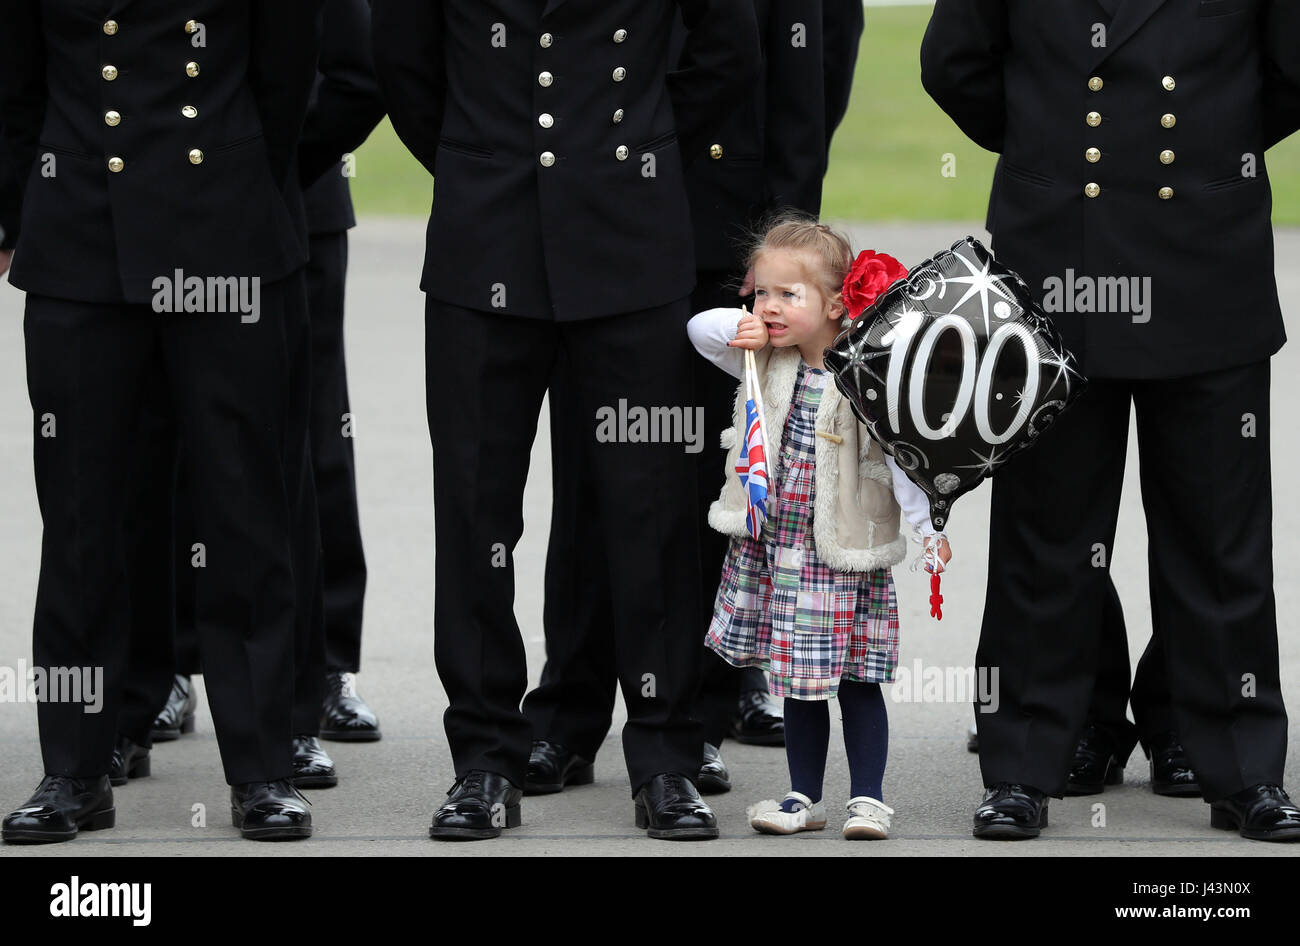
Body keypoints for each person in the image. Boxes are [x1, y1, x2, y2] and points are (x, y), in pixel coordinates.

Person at [372, 0, 760, 841]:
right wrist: (485, 154)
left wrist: (628, 152)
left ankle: (664, 756)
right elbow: (407, 66)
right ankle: (483, 758)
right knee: (476, 510)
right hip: (486, 241)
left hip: (630, 236)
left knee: (649, 509)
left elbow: (725, 56)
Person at [921, 0, 1300, 841]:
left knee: (1219, 536)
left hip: (1205, 257)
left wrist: (1208, 154)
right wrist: (1048, 153)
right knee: (1046, 534)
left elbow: (1290, 72)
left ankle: (1241, 770)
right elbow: (956, 66)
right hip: (1057, 258)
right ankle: (1022, 766)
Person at [0, 1, 325, 843]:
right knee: (78, 522)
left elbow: (285, 78)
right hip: (79, 241)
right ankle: (74, 769)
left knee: (244, 517)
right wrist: (17, 214)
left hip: (225, 239)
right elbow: (13, 84)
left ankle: (261, 770)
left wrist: (241, 186)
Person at [523, 0, 863, 800]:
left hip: (728, 234)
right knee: (591, 474)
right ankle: (569, 712)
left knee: (729, 483)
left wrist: (782, 254)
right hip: (606, 217)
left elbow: (814, 67)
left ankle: (704, 706)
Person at [688, 217, 951, 840]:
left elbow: (902, 462)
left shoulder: (866, 375)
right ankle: (802, 794)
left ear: (836, 303)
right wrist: (740, 326)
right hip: (779, 553)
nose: (768, 307)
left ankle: (868, 799)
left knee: (859, 681)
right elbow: (699, 331)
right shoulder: (761, 360)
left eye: (788, 295)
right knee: (799, 685)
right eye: (760, 294)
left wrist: (929, 527)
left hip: (844, 557)